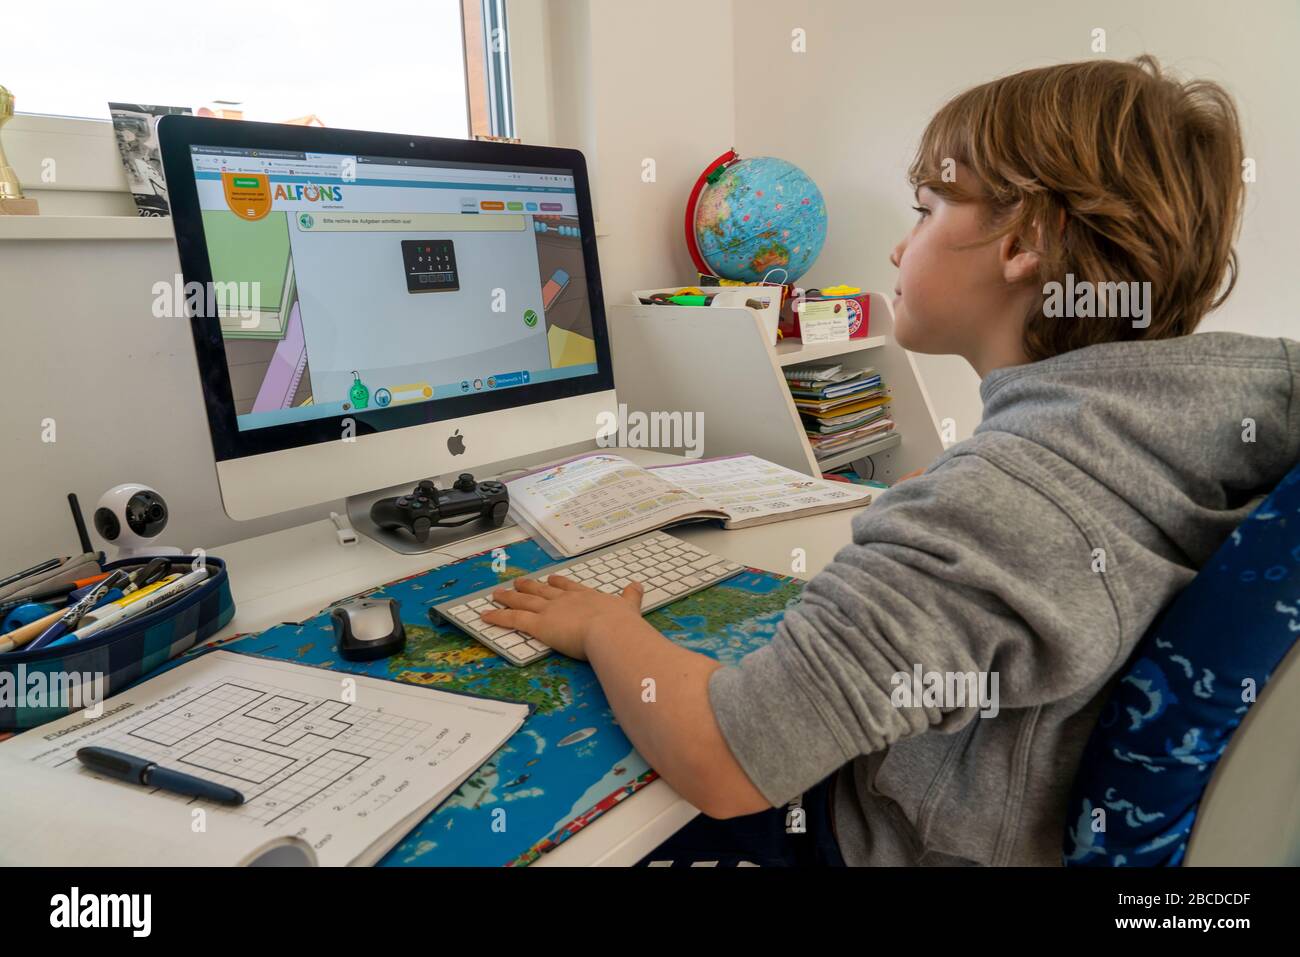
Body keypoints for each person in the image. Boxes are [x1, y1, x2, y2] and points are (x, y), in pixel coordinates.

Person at [482, 55, 1300, 866]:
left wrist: (605, 623)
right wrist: (963, 507)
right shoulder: (1202, 424)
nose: (899, 251)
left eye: (927, 210)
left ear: (1026, 242)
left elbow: (725, 760)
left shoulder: (1000, 507)